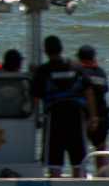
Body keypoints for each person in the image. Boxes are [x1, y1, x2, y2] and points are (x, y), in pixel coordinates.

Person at [32, 34, 89, 177]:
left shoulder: (43, 71)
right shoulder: (76, 66)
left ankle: (55, 184)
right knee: (78, 160)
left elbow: (36, 97)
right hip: (76, 116)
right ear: (61, 48)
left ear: (46, 51)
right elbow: (89, 91)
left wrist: (34, 117)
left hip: (54, 118)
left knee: (54, 162)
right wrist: (93, 116)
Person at [76, 45, 109, 151]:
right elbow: (105, 90)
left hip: (84, 117)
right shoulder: (100, 72)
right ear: (93, 57)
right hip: (102, 117)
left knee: (79, 151)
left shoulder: (79, 72)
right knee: (101, 149)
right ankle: (103, 168)